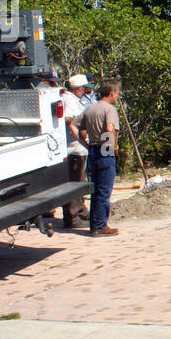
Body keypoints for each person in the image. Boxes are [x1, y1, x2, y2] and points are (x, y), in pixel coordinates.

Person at [80, 81, 121, 236]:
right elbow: (109, 129)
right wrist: (113, 146)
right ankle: (100, 226)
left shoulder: (90, 108)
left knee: (95, 189)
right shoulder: (109, 109)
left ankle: (94, 224)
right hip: (105, 150)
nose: (117, 96)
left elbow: (77, 128)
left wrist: (86, 143)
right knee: (104, 189)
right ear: (111, 93)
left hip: (93, 150)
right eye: (117, 93)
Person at [60, 73, 94, 228]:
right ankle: (72, 217)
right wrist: (82, 138)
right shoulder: (69, 100)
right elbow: (69, 120)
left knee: (80, 182)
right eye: (83, 88)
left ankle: (81, 211)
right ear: (78, 88)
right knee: (74, 183)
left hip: (78, 148)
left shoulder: (73, 99)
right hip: (73, 149)